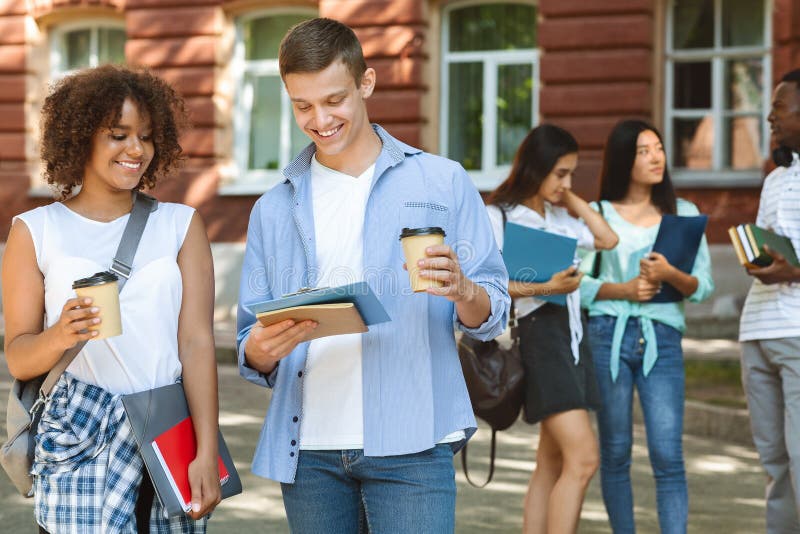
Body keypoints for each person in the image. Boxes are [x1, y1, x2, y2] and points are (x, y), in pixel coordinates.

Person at [235, 17, 509, 533]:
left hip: (413, 443)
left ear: (366, 82)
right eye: (302, 106)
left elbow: (491, 311)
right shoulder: (272, 208)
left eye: (334, 99)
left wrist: (465, 290)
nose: (320, 119)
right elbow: (249, 340)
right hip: (309, 451)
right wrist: (261, 349)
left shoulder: (442, 181)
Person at [1, 65, 221, 533]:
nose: (136, 150)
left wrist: (206, 450)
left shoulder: (180, 225)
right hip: (78, 440)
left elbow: (198, 345)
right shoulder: (34, 231)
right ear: (80, 138)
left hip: (166, 436)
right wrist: (60, 334)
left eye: (146, 136)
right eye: (118, 135)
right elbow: (19, 360)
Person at [580, 119, 714, 534]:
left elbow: (703, 288)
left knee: (667, 455)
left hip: (663, 339)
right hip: (606, 337)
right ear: (623, 159)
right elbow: (575, 285)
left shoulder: (684, 214)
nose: (656, 157)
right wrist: (622, 289)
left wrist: (671, 273)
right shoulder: (598, 215)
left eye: (658, 148)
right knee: (616, 452)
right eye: (643, 151)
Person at [485, 124, 618, 534]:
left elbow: (608, 238)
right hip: (539, 336)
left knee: (552, 462)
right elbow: (487, 285)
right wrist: (548, 286)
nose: (567, 182)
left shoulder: (562, 216)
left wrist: (569, 195)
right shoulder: (499, 215)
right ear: (536, 168)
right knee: (584, 459)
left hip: (573, 338)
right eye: (560, 173)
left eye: (572, 173)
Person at [739, 68, 800, 534]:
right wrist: (759, 258)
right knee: (774, 464)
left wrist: (794, 272)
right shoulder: (776, 178)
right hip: (756, 330)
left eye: (779, 107)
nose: (769, 116)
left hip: (796, 333)